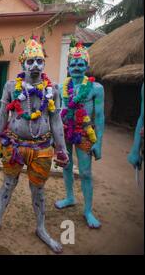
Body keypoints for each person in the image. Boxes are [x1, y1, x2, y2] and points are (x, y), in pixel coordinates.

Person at [0, 37, 69, 254]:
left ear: (44, 64)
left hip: (42, 148)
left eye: (39, 61)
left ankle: (41, 228)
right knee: (8, 185)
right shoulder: (11, 86)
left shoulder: (53, 89)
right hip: (15, 145)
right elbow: (3, 114)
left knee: (38, 190)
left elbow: (56, 121)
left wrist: (62, 148)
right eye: (31, 61)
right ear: (23, 64)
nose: (35, 65)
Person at [55, 42, 105, 229]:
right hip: (65, 131)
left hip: (85, 133)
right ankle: (69, 197)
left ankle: (88, 211)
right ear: (68, 67)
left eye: (80, 64)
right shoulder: (61, 87)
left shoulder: (96, 88)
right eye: (73, 65)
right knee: (66, 166)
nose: (76, 68)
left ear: (86, 66)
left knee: (85, 173)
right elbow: (57, 112)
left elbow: (99, 117)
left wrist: (98, 143)